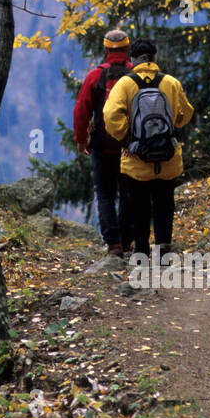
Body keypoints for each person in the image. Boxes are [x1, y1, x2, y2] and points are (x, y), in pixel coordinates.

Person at [102, 39, 194, 257]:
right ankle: (163, 252)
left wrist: (126, 138)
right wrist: (172, 125)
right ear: (155, 57)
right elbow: (186, 113)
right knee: (164, 205)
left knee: (139, 207)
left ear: (133, 60)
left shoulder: (125, 84)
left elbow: (110, 115)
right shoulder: (171, 83)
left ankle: (141, 252)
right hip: (167, 158)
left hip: (136, 159)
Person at [73, 29, 133, 255]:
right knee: (128, 192)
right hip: (130, 146)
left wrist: (81, 140)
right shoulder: (135, 74)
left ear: (106, 49)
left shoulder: (94, 76)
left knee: (105, 193)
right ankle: (128, 242)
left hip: (102, 143)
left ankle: (113, 243)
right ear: (127, 49)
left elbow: (81, 111)